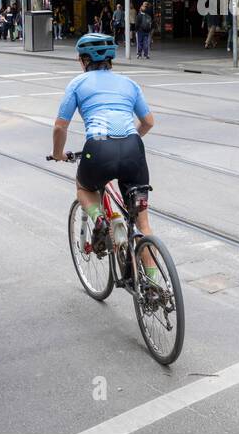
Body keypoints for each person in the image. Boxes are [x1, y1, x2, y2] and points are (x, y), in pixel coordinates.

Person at [50, 33, 159, 285]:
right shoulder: (129, 84)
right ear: (110, 59)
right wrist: (130, 138)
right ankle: (154, 284)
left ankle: (100, 219)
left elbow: (59, 127)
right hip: (134, 149)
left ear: (84, 60)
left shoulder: (78, 83)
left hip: (98, 150)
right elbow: (149, 122)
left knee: (84, 188)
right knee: (142, 223)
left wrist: (58, 154)